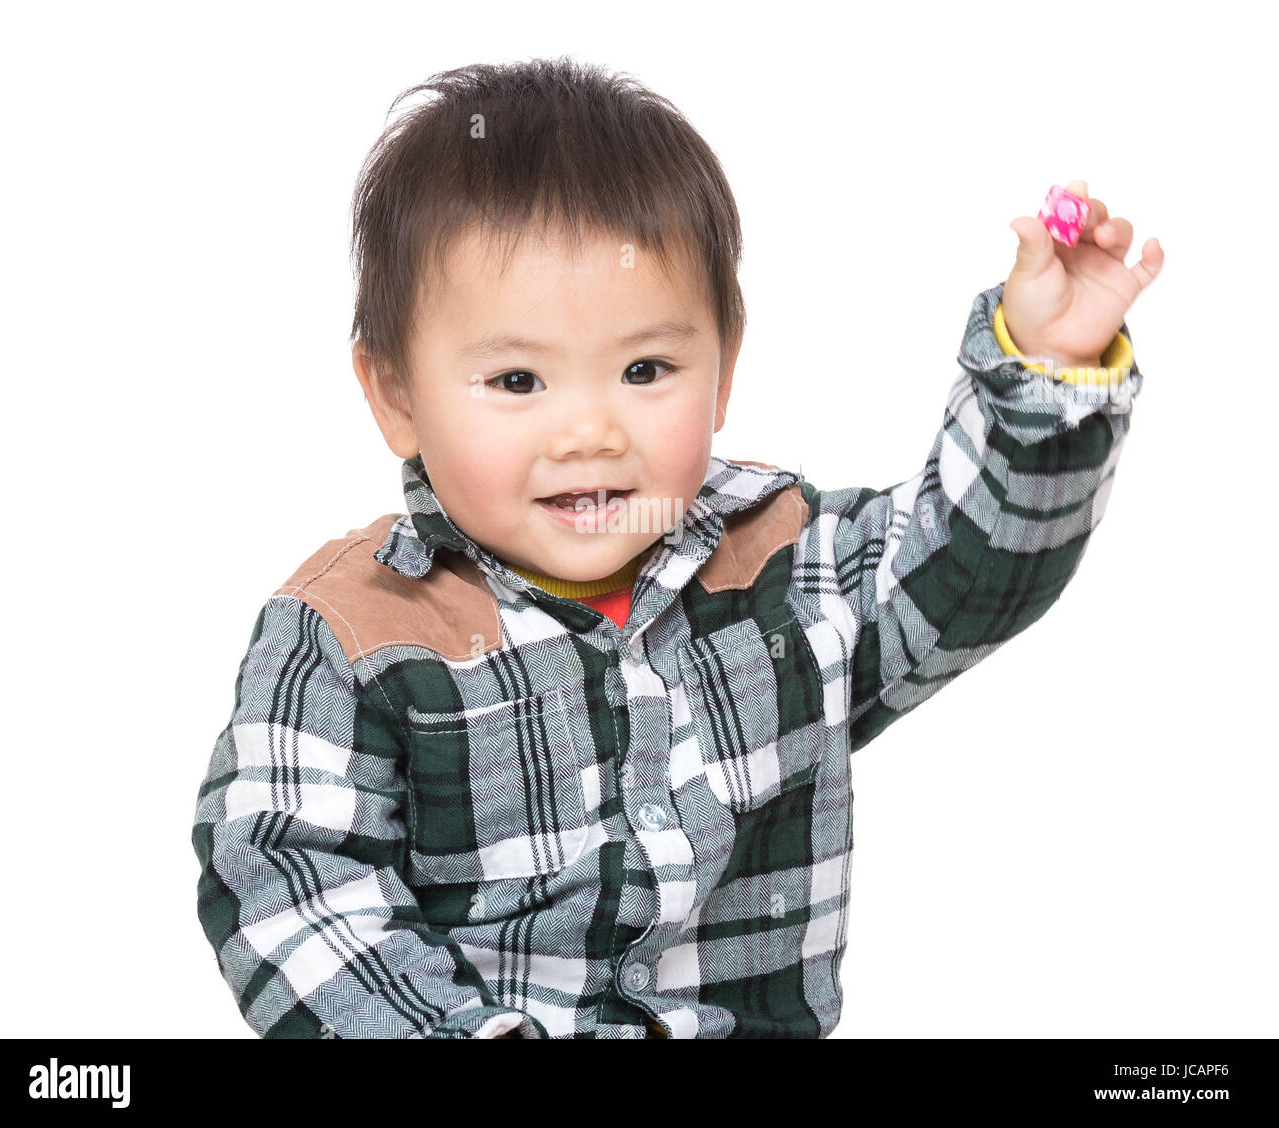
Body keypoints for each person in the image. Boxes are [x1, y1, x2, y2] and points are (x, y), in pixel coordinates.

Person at [190, 56, 1163, 1039]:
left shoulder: (786, 568)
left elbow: (968, 572)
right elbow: (288, 888)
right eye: (518, 382)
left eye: (645, 369)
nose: (587, 431)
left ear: (722, 372)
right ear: (397, 395)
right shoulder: (350, 637)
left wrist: (1043, 371)